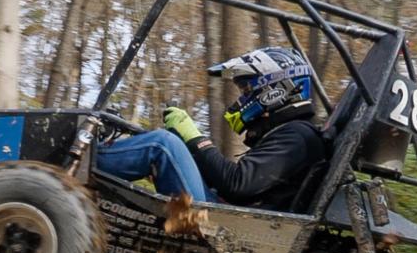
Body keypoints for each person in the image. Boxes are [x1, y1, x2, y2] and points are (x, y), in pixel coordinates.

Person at [96, 47, 326, 211]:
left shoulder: (298, 136)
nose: (242, 98)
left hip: (232, 227)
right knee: (170, 144)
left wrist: (195, 138)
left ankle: (82, 164)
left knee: (162, 145)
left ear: (275, 90)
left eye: (246, 91)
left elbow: (237, 185)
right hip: (232, 216)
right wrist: (190, 148)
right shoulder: (291, 134)